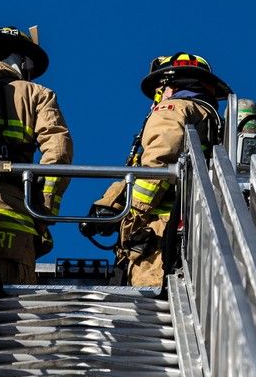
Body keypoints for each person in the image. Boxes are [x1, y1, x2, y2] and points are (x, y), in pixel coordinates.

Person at [92, 53, 230, 287]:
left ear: (169, 84)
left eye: (158, 89)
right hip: (196, 230)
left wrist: (130, 215)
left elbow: (157, 165)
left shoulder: (172, 107)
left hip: (159, 234)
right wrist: (107, 206)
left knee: (151, 300)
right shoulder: (212, 120)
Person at [0, 26, 73, 284]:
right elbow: (58, 151)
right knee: (13, 310)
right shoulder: (36, 94)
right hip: (15, 222)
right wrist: (44, 208)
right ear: (23, 62)